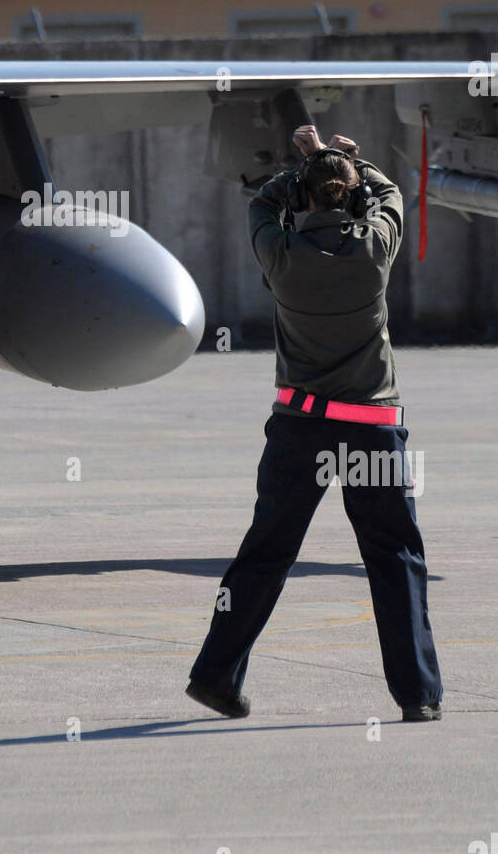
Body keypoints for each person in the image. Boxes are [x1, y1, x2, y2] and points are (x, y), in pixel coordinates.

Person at [187, 125, 443, 723]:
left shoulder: (281, 254)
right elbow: (389, 196)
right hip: (371, 426)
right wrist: (349, 160)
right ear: (353, 199)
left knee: (266, 554)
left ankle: (215, 675)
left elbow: (261, 204)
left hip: (299, 428)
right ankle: (418, 695)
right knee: (394, 557)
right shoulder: (374, 250)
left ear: (301, 199)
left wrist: (303, 168)